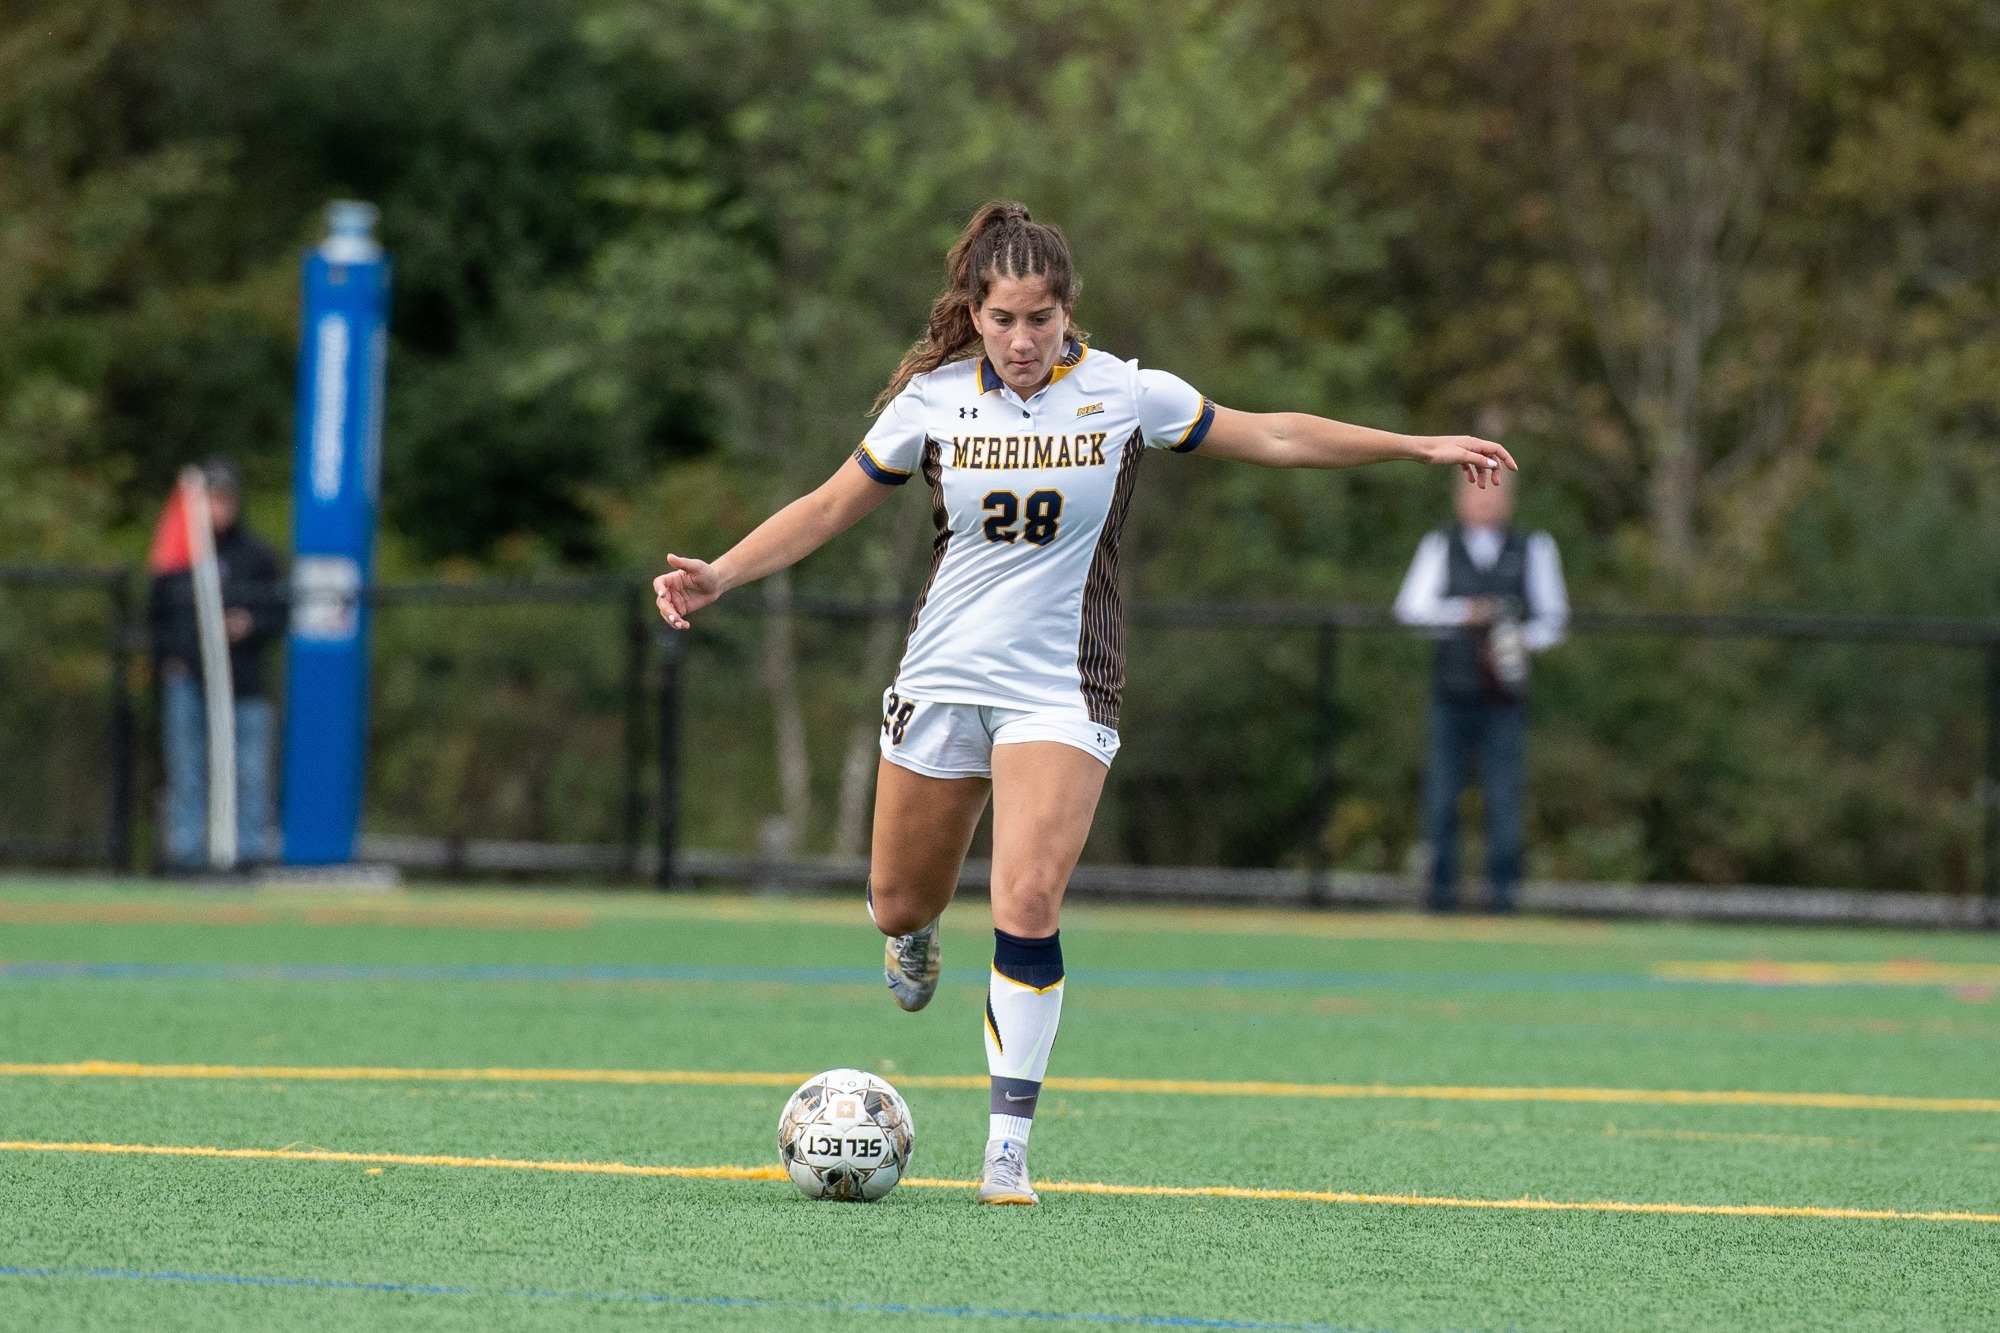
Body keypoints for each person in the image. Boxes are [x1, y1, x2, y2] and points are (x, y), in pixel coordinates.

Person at [653, 201, 1515, 1204]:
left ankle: (1006, 1151)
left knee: (1026, 898)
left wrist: (1416, 446)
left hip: (1060, 690)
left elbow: (1275, 435)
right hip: (941, 679)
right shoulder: (932, 402)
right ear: (973, 313)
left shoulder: (1126, 394)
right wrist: (721, 573)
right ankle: (911, 929)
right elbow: (825, 506)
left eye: (1041, 318)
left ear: (1068, 310)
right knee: (899, 897)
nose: (1022, 340)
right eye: (1002, 319)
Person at [1393, 467, 1568, 913]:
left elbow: (1554, 621)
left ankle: (1502, 903)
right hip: (1451, 695)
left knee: (1504, 802)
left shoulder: (1534, 546)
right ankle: (1439, 901)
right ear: (1459, 499)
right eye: (1475, 492)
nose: (1484, 501)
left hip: (1505, 698)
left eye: (1493, 493)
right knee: (1440, 800)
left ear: (1510, 499)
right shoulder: (1440, 544)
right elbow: (1410, 611)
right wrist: (1464, 614)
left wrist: (1516, 639)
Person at [147, 459, 288, 869]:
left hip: (244, 680)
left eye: (225, 499)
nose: (218, 508)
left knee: (249, 770)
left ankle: (247, 854)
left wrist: (249, 624)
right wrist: (168, 659)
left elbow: (280, 614)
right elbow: (155, 615)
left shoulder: (257, 557)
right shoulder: (180, 555)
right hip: (189, 678)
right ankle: (186, 853)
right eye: (210, 499)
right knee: (187, 766)